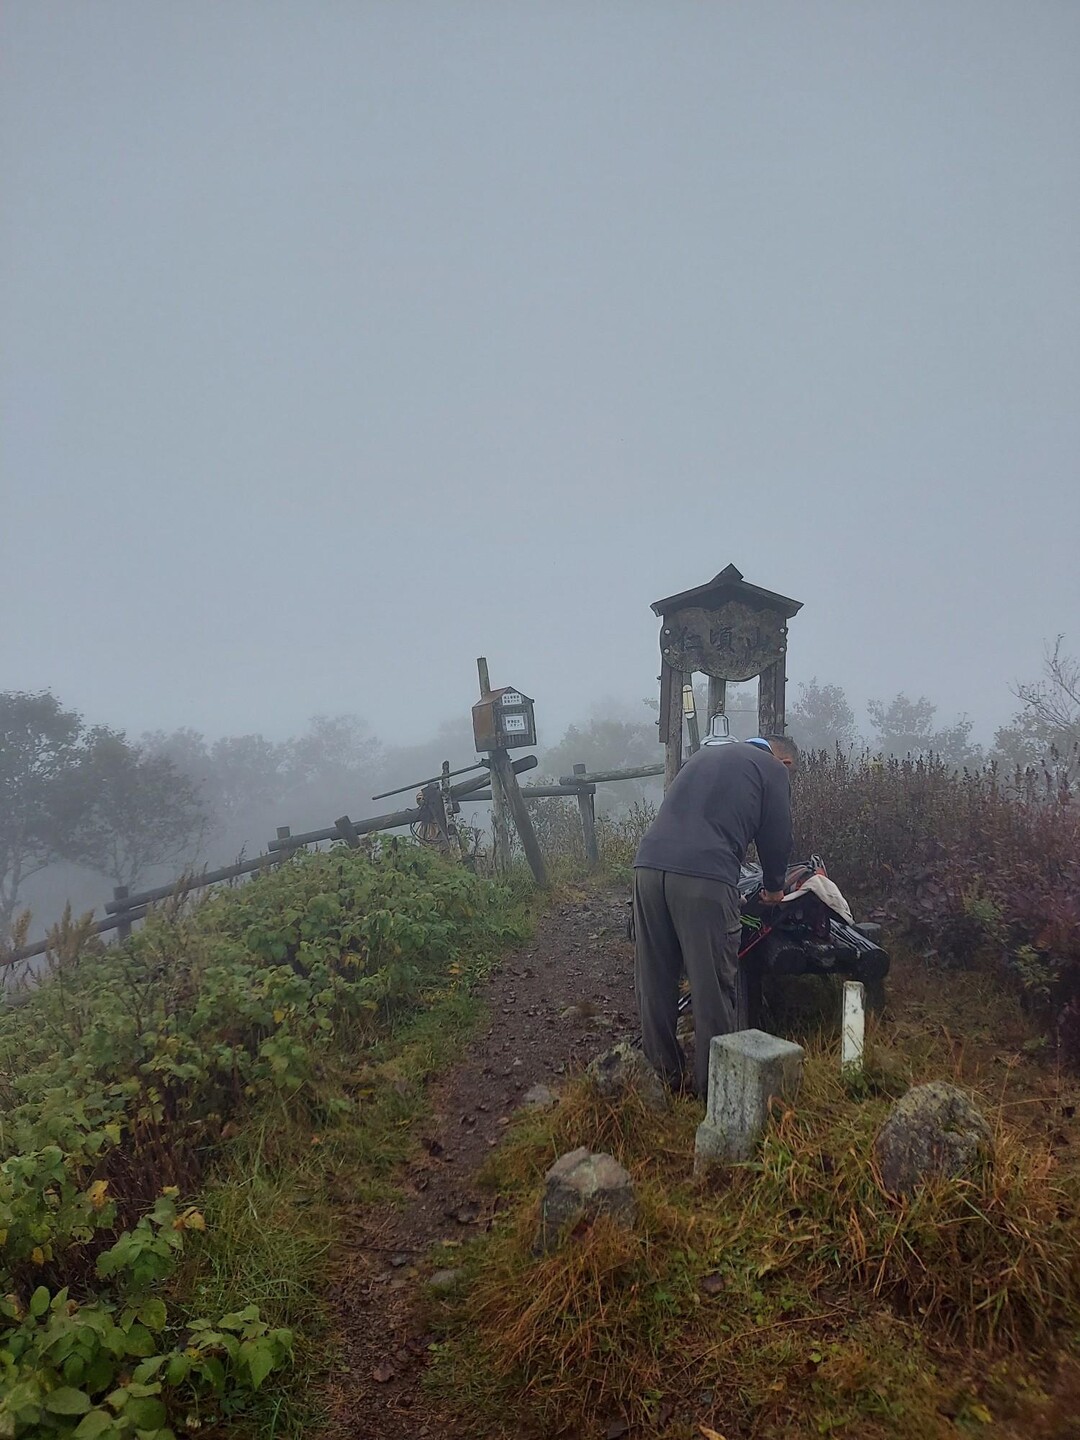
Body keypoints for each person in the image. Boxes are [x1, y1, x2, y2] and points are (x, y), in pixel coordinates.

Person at [633, 733, 798, 1096]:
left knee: (655, 980)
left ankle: (662, 1080)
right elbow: (778, 835)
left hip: (647, 867)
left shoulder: (705, 757)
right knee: (711, 988)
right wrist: (773, 887)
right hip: (705, 878)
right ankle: (716, 1092)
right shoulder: (773, 770)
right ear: (784, 761)